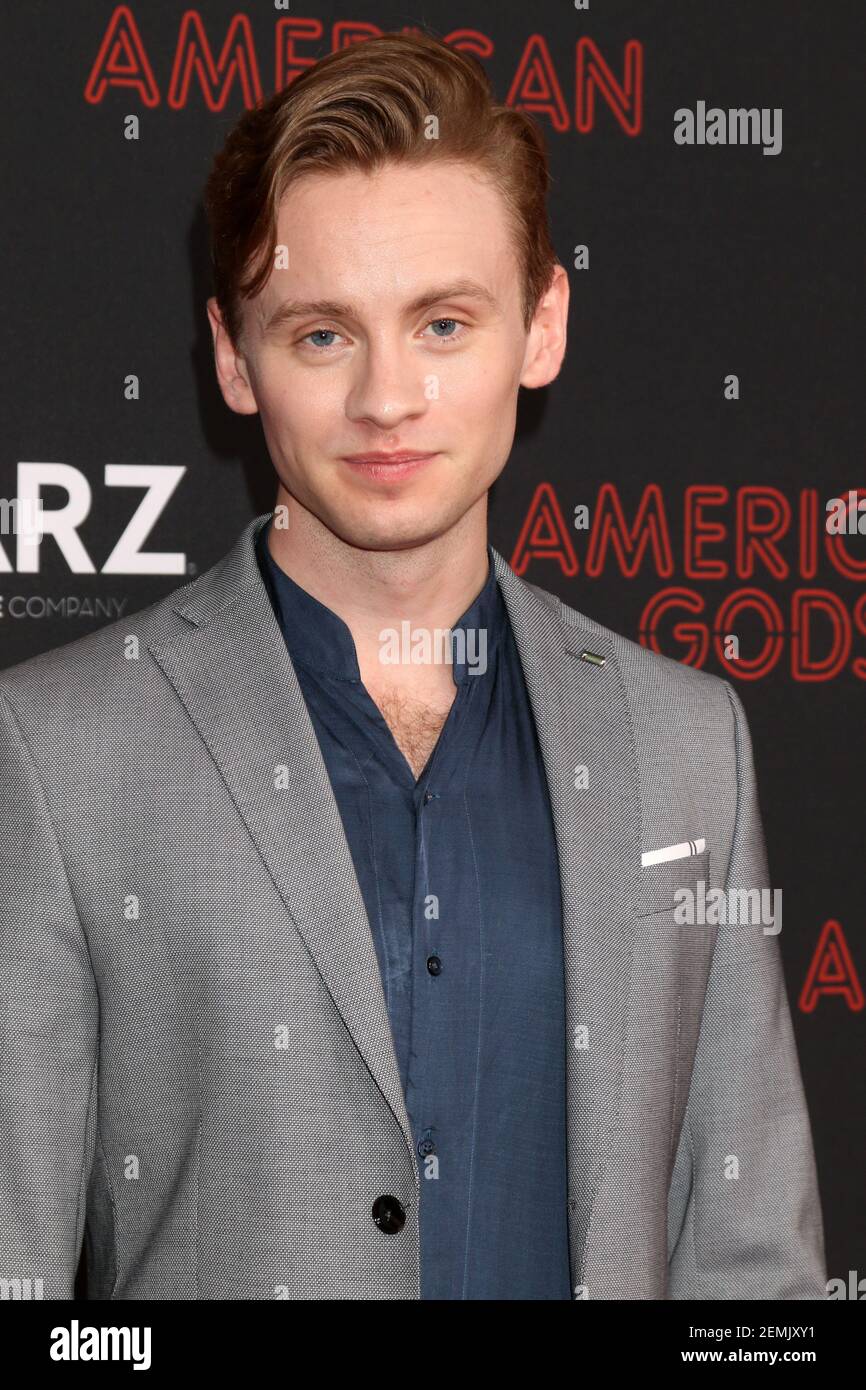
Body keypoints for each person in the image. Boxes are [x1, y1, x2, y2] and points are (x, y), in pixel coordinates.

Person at [0, 31, 825, 1300]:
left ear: (540, 327)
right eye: (323, 335)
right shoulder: (58, 753)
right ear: (233, 357)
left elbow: (751, 1268)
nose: (389, 397)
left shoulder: (683, 745)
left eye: (442, 322)